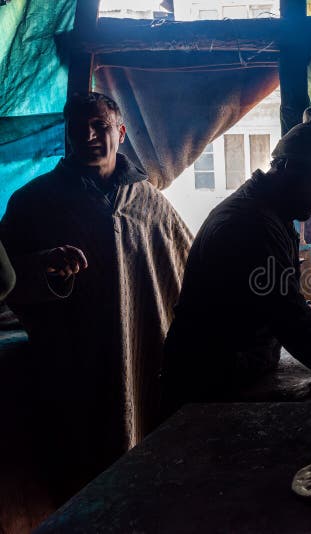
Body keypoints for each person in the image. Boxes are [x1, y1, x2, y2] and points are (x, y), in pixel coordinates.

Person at [0, 92, 192, 500]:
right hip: (72, 365)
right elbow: (6, 278)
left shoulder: (150, 203)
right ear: (66, 134)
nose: (88, 135)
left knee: (145, 477)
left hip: (143, 362)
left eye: (99, 126)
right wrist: (44, 269)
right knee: (82, 482)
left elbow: (186, 267)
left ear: (120, 133)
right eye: (77, 127)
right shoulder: (34, 202)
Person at [161, 101, 311, 414]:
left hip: (237, 373)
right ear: (288, 169)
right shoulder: (248, 224)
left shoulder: (274, 213)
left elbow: (270, 297)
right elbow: (290, 323)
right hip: (208, 386)